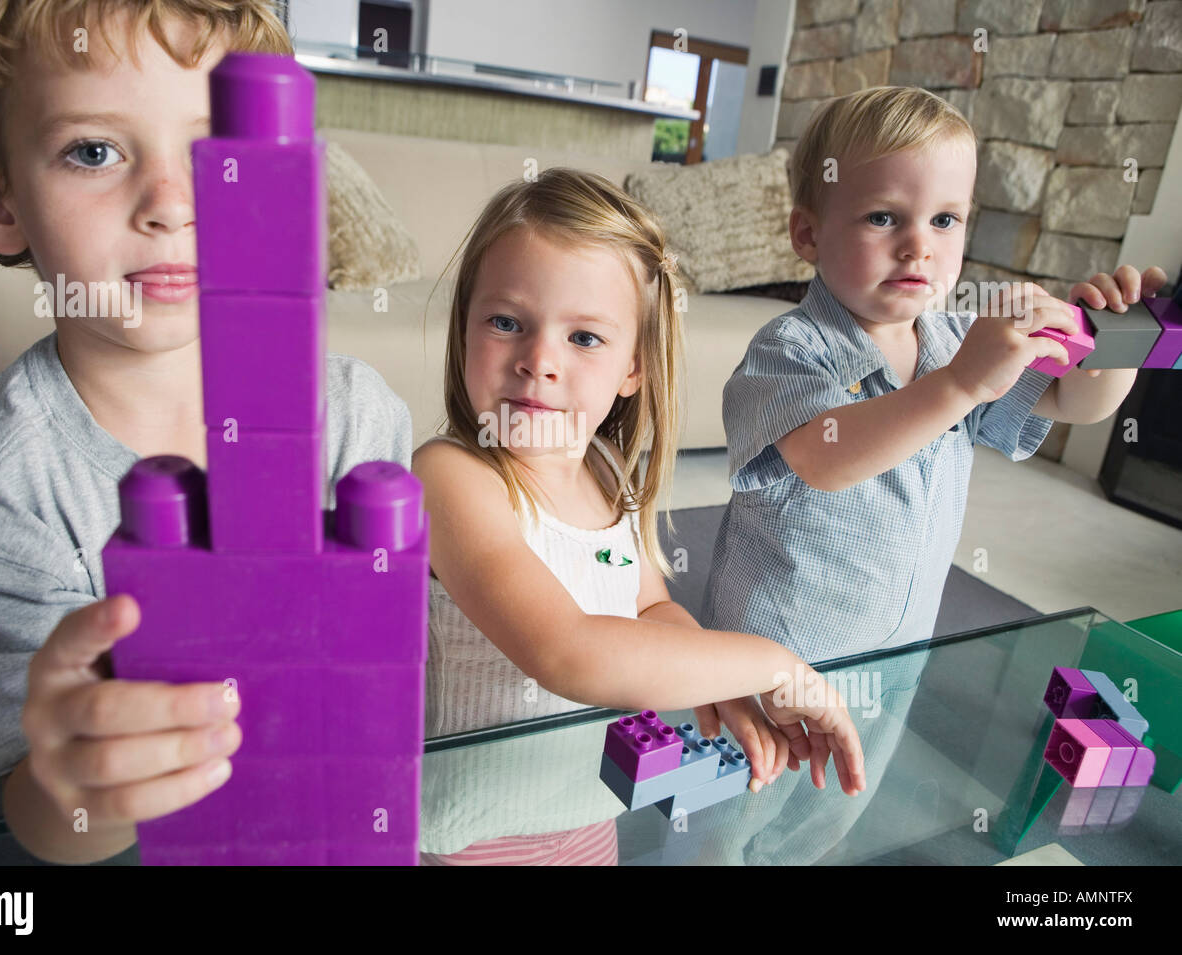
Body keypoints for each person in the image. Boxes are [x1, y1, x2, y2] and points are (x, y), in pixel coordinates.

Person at [0, 0, 411, 864]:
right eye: (93, 150)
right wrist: (79, 784)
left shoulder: (360, 417)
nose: (172, 203)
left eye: (217, 152)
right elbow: (40, 814)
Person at [413, 168, 867, 864]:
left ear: (633, 369)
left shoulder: (603, 470)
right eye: (507, 323)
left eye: (585, 338)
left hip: (589, 814)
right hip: (476, 838)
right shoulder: (452, 475)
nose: (539, 361)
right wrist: (771, 662)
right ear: (464, 328)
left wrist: (722, 680)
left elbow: (651, 610)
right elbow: (567, 651)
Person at [701, 85, 1164, 662]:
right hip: (781, 649)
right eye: (883, 217)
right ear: (808, 234)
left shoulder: (958, 344)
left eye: (945, 219)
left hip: (902, 642)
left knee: (868, 755)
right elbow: (826, 458)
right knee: (756, 756)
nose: (919, 245)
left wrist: (1112, 343)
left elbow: (1075, 402)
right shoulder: (790, 348)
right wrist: (961, 385)